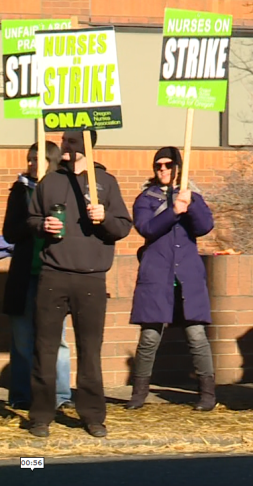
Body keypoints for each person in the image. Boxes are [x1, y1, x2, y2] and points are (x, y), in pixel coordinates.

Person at [26, 130, 133, 438]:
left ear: (87, 144)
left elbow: (122, 227)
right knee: (44, 349)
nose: (65, 145)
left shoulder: (106, 182)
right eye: (64, 140)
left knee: (90, 351)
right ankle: (41, 416)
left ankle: (93, 416)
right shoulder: (49, 181)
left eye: (71, 140)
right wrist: (42, 224)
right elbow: (30, 219)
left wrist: (105, 218)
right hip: (53, 275)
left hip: (91, 277)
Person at [125, 147, 217, 411]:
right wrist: (173, 210)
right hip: (157, 275)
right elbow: (147, 227)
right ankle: (139, 393)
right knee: (150, 337)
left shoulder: (192, 195)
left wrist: (190, 204)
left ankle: (208, 394)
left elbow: (204, 226)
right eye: (159, 165)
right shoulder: (146, 198)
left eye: (168, 165)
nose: (163, 169)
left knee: (196, 335)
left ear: (178, 168)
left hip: (187, 276)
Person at [3, 142, 72, 411]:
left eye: (38, 158)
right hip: (24, 274)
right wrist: (36, 224)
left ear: (51, 161)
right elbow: (10, 232)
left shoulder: (63, 187)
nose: (32, 163)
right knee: (23, 338)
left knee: (58, 339)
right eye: (29, 159)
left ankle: (60, 395)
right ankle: (21, 395)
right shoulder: (20, 190)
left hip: (52, 273)